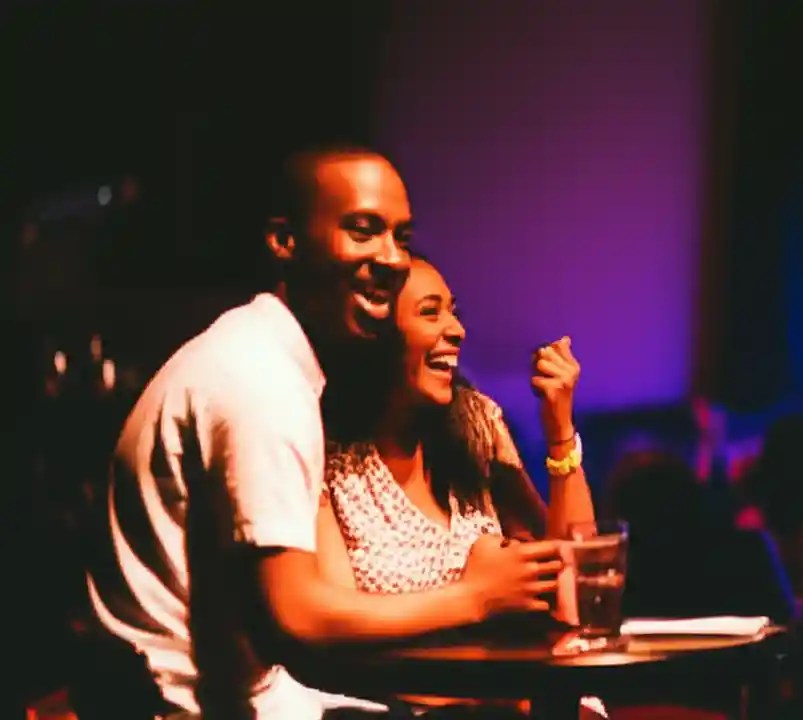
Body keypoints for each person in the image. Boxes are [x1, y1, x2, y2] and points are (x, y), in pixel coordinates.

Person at [83, 145, 564, 719]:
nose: (390, 258)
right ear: (284, 241)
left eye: (401, 238)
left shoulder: (265, 359)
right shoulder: (262, 382)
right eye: (362, 231)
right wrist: (476, 596)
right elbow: (299, 616)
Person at [319, 255, 604, 718]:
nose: (456, 330)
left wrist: (559, 428)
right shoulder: (327, 458)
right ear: (378, 335)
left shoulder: (476, 424)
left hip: (521, 694)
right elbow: (335, 632)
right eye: (431, 312)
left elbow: (577, 566)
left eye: (454, 311)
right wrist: (477, 595)